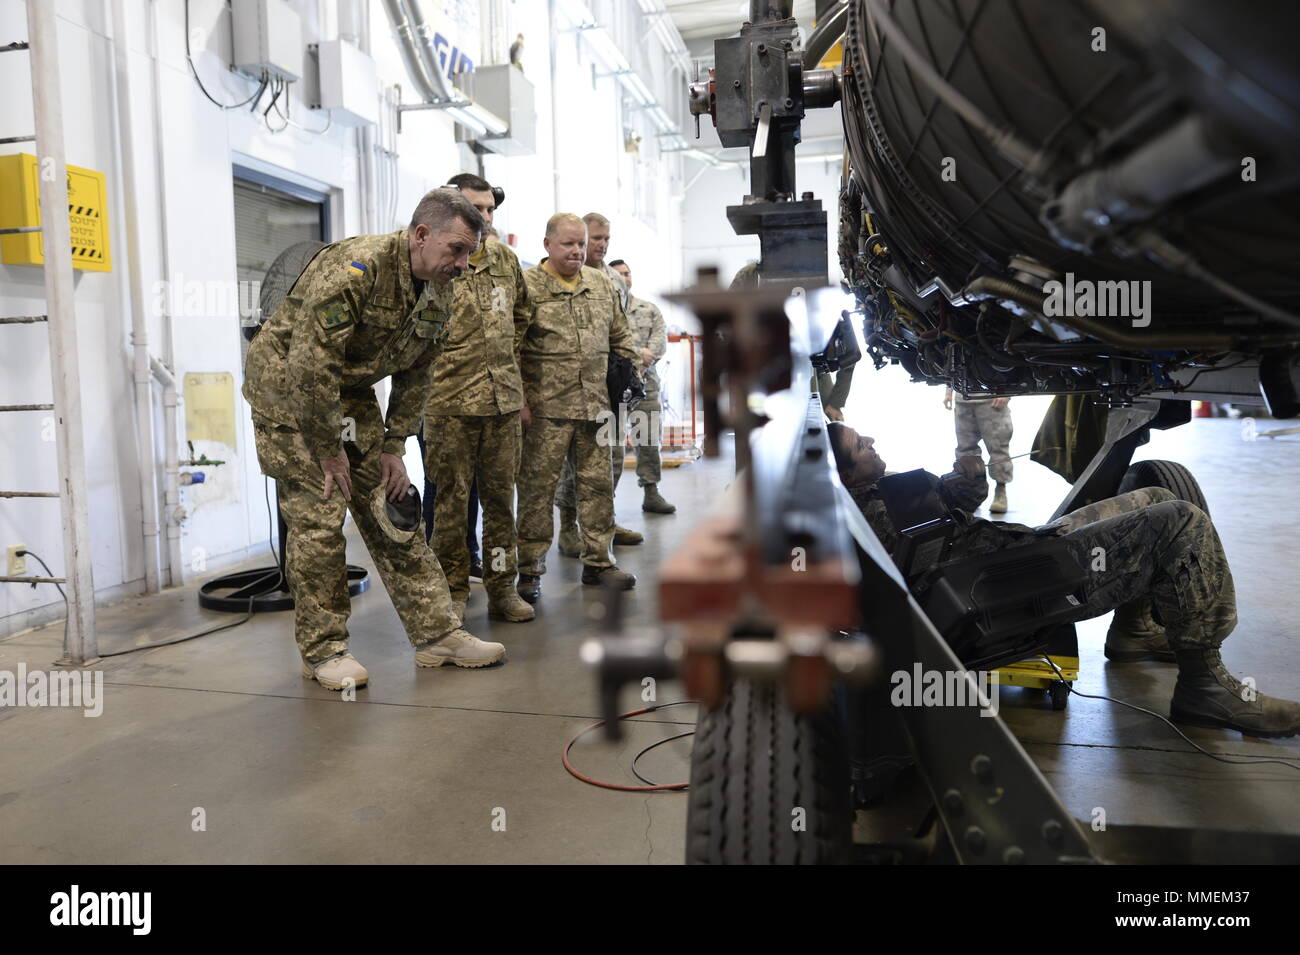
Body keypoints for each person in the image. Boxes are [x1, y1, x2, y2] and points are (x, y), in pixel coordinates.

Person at [828, 421, 1300, 737]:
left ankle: (1134, 631)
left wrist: (961, 479)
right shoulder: (874, 511)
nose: (869, 441)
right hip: (1015, 582)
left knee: (1153, 493)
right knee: (1179, 519)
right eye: (858, 446)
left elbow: (956, 518)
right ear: (846, 474)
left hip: (1011, 553)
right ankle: (1204, 686)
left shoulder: (867, 502)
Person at [243, 188, 506, 690]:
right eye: (456, 250)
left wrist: (393, 447)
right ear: (421, 234)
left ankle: (438, 634)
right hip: (289, 395)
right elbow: (310, 364)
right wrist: (328, 451)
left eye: (470, 253)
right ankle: (324, 651)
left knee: (392, 508)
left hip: (347, 390)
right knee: (321, 517)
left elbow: (419, 370)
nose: (463, 264)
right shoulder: (355, 268)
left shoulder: (440, 285)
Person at [422, 173, 534, 625]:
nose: (485, 218)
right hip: (448, 403)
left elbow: (523, 312)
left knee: (501, 506)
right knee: (449, 506)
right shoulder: (434, 259)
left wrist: (505, 362)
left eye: (490, 210)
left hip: (502, 403)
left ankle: (502, 588)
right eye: (476, 209)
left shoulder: (505, 259)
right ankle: (451, 591)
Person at [515, 213, 640, 603]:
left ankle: (598, 563)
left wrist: (624, 383)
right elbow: (510, 347)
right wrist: (519, 400)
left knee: (597, 488)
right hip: (545, 410)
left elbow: (622, 337)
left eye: (582, 244)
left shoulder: (601, 283)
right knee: (537, 492)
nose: (577, 250)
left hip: (595, 407)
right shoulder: (528, 287)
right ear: (548, 244)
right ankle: (530, 570)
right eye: (568, 243)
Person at [553, 212, 644, 550]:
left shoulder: (612, 280)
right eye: (595, 238)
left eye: (607, 238)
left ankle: (604, 522)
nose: (601, 245)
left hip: (608, 384)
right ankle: (568, 527)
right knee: (570, 465)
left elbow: (622, 330)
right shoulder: (563, 276)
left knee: (611, 459)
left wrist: (629, 376)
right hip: (567, 388)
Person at [608, 259, 674, 514]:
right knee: (612, 445)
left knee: (648, 441)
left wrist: (641, 363)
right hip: (613, 387)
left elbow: (660, 342)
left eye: (627, 273)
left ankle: (651, 492)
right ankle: (606, 503)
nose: (625, 278)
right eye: (619, 274)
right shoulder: (607, 308)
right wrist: (639, 356)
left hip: (647, 386)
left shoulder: (648, 309)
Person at [944, 387, 1013, 514]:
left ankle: (1000, 491)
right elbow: (951, 367)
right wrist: (949, 391)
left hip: (990, 398)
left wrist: (1006, 393)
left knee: (997, 447)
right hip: (963, 397)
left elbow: (1009, 368)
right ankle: (969, 494)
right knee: (965, 450)